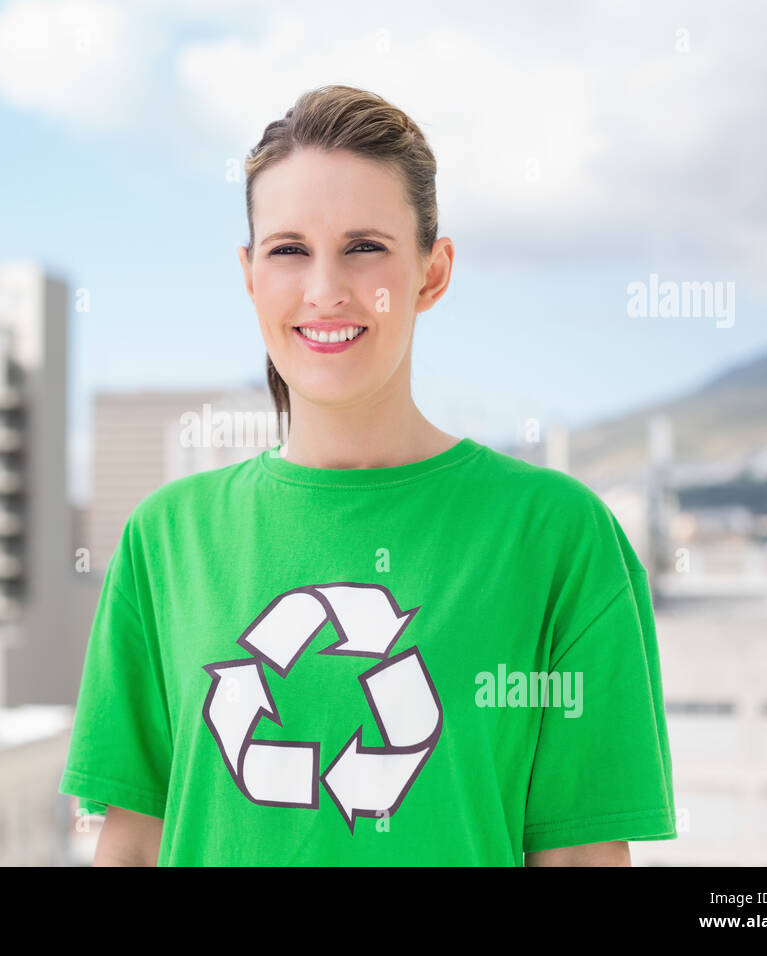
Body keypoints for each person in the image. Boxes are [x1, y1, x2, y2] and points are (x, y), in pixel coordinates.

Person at [59, 84, 676, 866]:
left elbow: (581, 858)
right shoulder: (165, 539)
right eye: (289, 250)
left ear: (433, 271)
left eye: (364, 247)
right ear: (250, 275)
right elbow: (132, 848)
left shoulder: (556, 536)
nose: (325, 290)